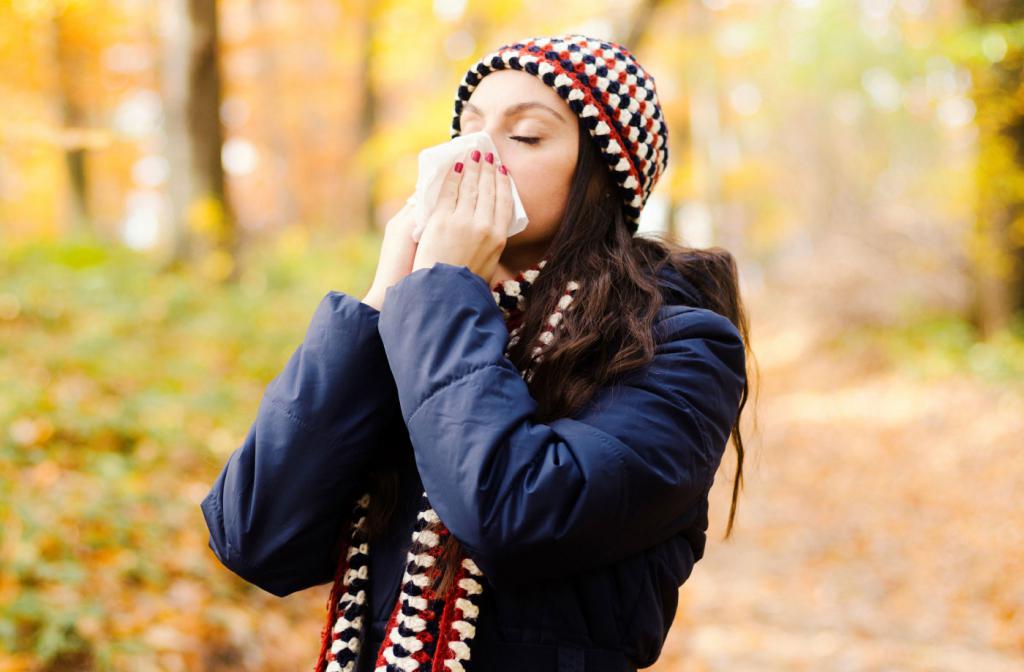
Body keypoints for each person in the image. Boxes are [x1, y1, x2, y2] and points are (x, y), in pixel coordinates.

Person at [201, 34, 753, 672]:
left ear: (602, 180)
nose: (479, 154)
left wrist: (440, 297)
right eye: (468, 128)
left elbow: (510, 514)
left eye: (524, 137)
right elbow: (253, 537)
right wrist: (384, 298)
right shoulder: (411, 324)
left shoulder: (678, 346)